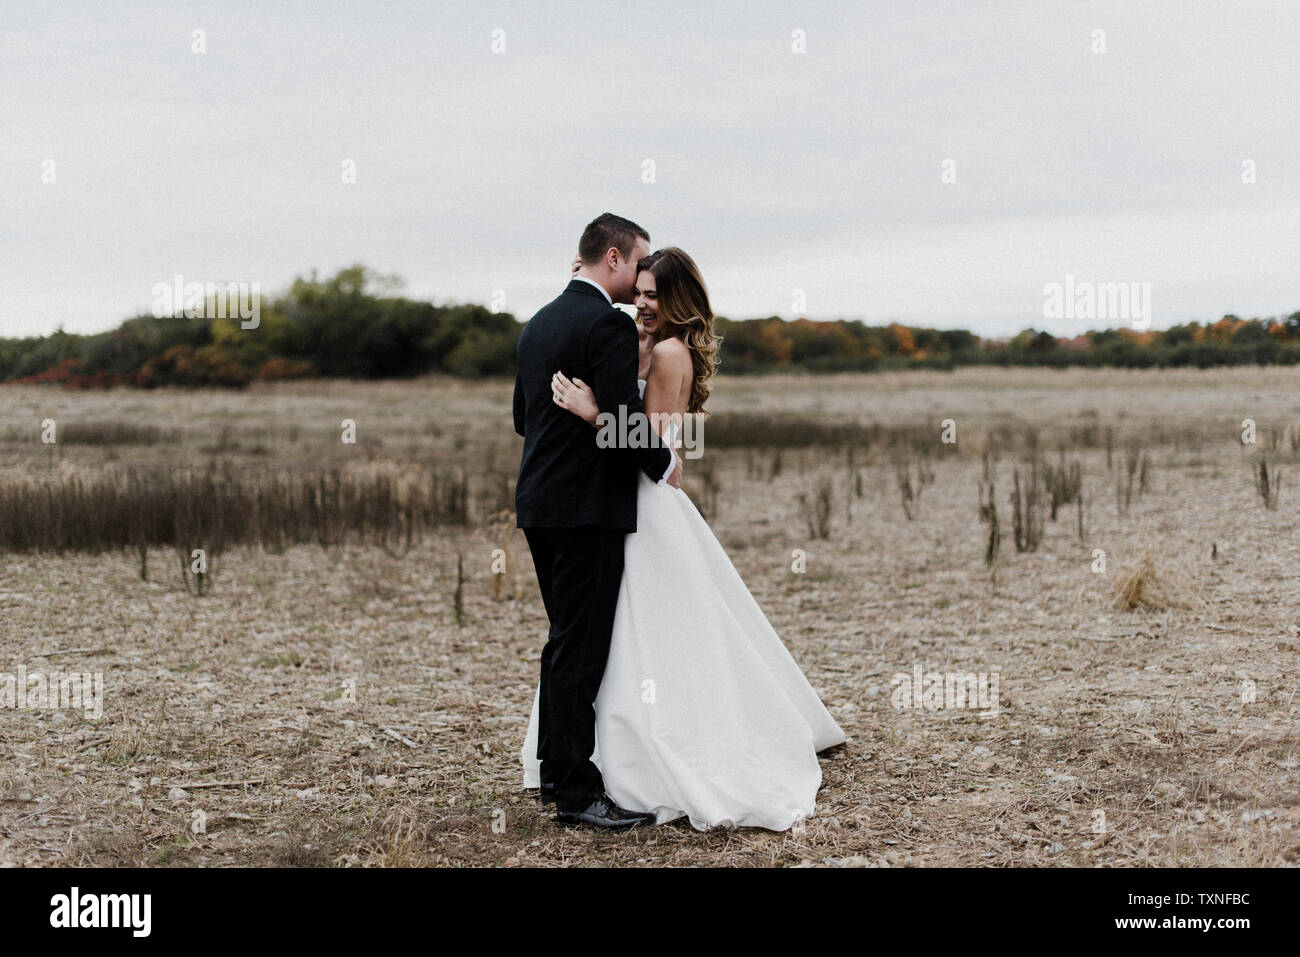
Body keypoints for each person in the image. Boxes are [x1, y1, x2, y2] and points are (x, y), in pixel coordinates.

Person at [520, 245, 846, 831]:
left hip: (639, 498)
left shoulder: (668, 351)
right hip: (623, 494)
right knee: (602, 631)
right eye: (639, 293)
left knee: (631, 630)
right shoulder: (642, 342)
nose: (643, 305)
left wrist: (595, 412)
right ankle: (584, 761)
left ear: (677, 303)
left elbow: (655, 445)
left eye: (654, 296)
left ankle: (635, 756)